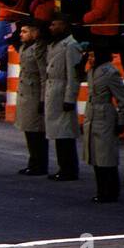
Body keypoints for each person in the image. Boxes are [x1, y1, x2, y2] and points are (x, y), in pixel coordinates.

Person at [81, 42, 124, 203]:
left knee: (106, 156)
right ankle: (101, 190)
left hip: (105, 115)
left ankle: (111, 191)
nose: (91, 58)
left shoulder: (110, 72)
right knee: (95, 155)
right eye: (90, 55)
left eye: (93, 55)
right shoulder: (92, 71)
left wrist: (122, 120)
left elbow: (122, 99)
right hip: (92, 115)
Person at [43, 15, 82, 181]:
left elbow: (73, 75)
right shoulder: (53, 44)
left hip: (62, 91)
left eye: (54, 24)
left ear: (64, 25)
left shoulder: (71, 45)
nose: (51, 27)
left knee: (64, 133)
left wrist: (70, 98)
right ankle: (63, 167)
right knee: (58, 133)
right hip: (53, 90)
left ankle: (69, 169)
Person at [13, 21, 49, 175]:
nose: (21, 34)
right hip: (25, 92)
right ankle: (33, 162)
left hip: (34, 93)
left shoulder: (38, 49)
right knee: (29, 131)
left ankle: (39, 164)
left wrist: (42, 99)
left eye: (25, 31)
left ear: (34, 33)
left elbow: (43, 76)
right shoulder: (24, 47)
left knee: (36, 132)